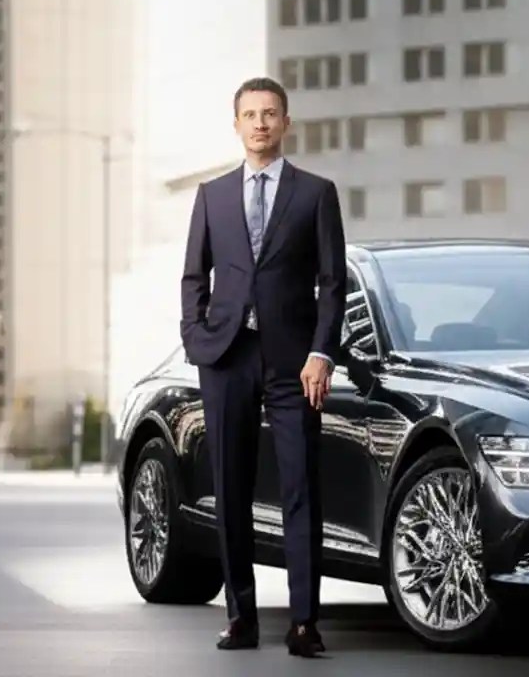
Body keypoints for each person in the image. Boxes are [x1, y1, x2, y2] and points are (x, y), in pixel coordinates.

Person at [179, 76, 346, 658]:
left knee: (301, 489)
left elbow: (333, 283)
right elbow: (194, 276)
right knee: (230, 490)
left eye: (270, 113)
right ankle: (241, 617)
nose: (260, 123)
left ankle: (304, 622)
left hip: (294, 365)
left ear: (285, 122)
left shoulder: (316, 193)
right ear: (236, 124)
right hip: (227, 359)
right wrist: (196, 337)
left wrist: (322, 353)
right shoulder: (213, 195)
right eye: (250, 114)